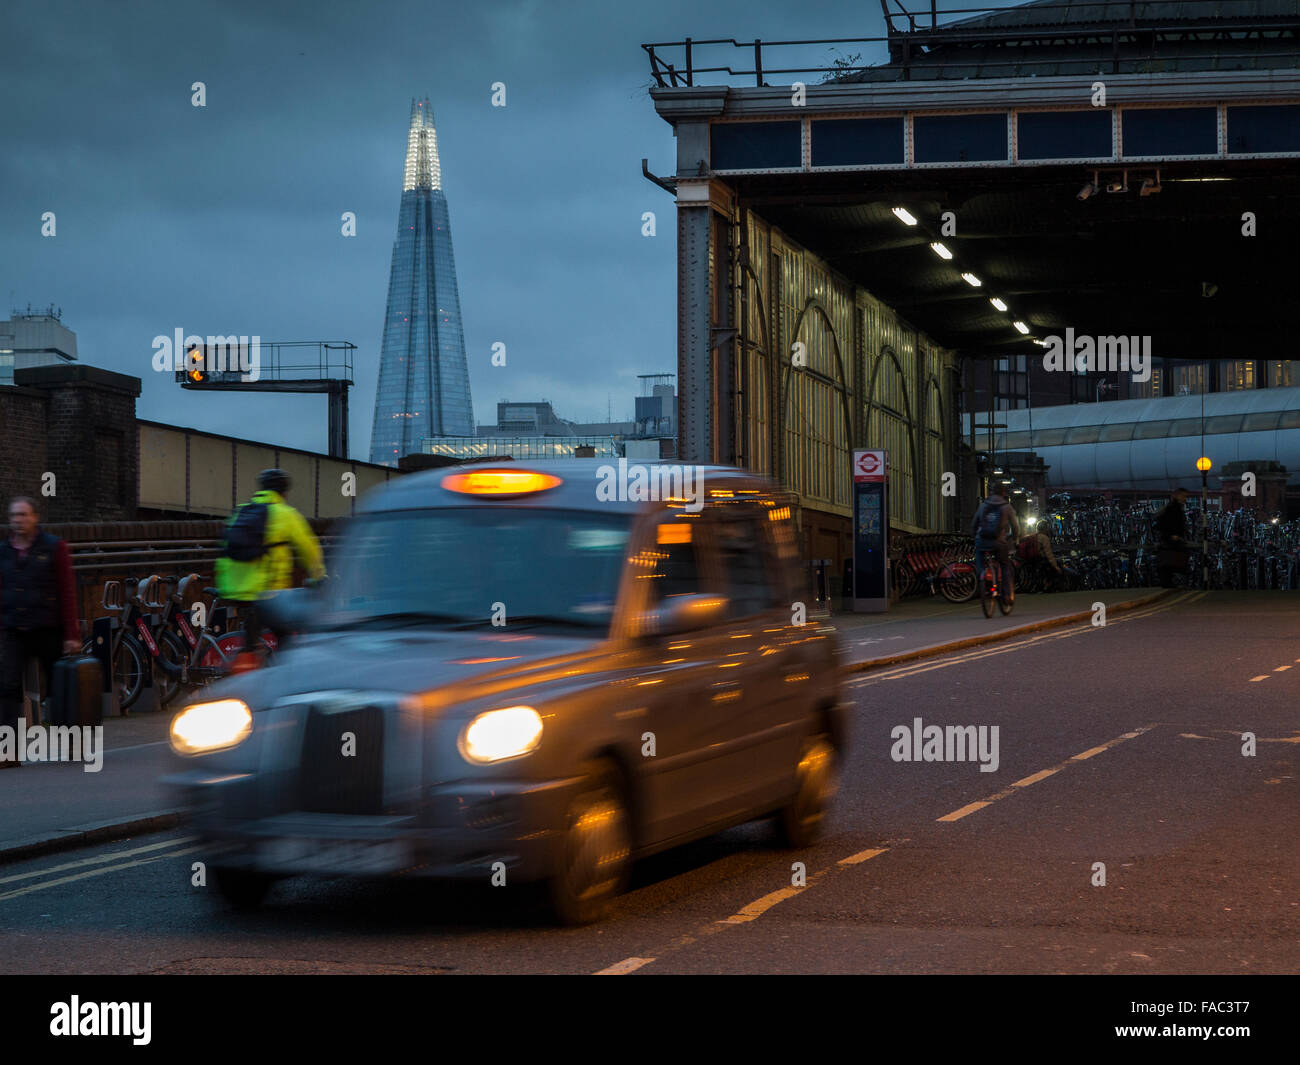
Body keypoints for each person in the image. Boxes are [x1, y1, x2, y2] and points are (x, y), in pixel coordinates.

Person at [0, 496, 81, 768]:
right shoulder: (4, 551)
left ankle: (73, 743)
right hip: (14, 629)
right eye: (13, 515)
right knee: (7, 688)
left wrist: (72, 634)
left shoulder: (54, 548)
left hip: (48, 628)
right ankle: (8, 752)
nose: (17, 520)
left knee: (59, 688)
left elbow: (67, 592)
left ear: (34, 517)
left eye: (23, 515)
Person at [214, 469, 325, 657]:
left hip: (234, 588)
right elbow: (309, 549)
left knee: (253, 634)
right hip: (268, 591)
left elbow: (225, 546)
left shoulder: (242, 510)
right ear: (284, 492)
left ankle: (246, 657)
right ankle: (277, 677)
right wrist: (319, 577)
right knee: (286, 641)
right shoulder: (285, 514)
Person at [971, 488, 1021, 605]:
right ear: (1003, 494)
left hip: (981, 540)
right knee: (1004, 565)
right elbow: (1015, 526)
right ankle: (1006, 595)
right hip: (998, 542)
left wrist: (974, 537)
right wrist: (1015, 538)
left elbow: (974, 523)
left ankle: (982, 575)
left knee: (979, 557)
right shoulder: (1007, 507)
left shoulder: (983, 506)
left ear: (992, 493)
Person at [1154, 487, 1190, 588]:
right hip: (1172, 539)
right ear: (1177, 495)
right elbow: (1169, 523)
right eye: (1183, 496)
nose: (1185, 499)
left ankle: (1169, 581)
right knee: (1175, 558)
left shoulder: (1173, 507)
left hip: (1171, 538)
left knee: (1171, 560)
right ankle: (1170, 582)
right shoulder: (1174, 508)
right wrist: (1173, 535)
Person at [1017, 522, 1064, 589]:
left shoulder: (1032, 536)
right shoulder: (1044, 538)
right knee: (1056, 564)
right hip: (1039, 559)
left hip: (1030, 559)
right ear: (1046, 529)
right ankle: (1049, 585)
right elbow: (1049, 554)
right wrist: (1056, 566)